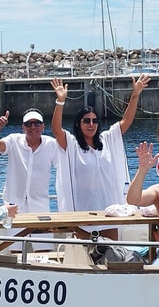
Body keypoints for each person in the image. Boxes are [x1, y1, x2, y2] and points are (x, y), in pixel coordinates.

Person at [51, 75, 148, 211]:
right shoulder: (72, 145)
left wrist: (135, 95)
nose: (91, 124)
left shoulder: (107, 139)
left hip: (109, 207)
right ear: (78, 124)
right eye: (86, 121)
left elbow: (126, 121)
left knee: (111, 231)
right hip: (81, 208)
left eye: (94, 121)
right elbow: (56, 130)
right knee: (83, 233)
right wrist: (60, 101)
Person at [0, 108, 61, 212]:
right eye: (28, 124)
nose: (33, 127)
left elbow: (65, 166)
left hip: (40, 205)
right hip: (13, 205)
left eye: (37, 123)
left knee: (40, 228)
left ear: (43, 127)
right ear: (23, 128)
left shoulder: (52, 144)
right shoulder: (13, 140)